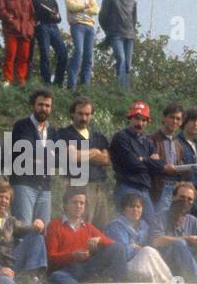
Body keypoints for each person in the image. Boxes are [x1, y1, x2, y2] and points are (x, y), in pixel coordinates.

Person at [45, 190, 126, 284]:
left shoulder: (87, 226)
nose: (79, 206)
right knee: (58, 276)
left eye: (82, 203)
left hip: (85, 267)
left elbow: (110, 243)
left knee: (118, 248)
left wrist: (98, 239)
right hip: (64, 270)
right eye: (74, 202)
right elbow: (50, 258)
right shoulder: (55, 225)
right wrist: (72, 255)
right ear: (65, 205)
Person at [56, 96, 113, 225]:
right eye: (80, 114)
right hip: (77, 187)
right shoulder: (64, 133)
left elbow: (106, 159)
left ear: (92, 115)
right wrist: (94, 151)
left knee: (101, 229)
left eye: (87, 114)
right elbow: (73, 156)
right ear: (72, 113)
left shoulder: (98, 136)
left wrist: (83, 154)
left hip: (99, 187)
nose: (84, 118)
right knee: (80, 226)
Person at [8, 89, 59, 225]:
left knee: (43, 229)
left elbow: (61, 159)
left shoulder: (52, 131)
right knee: (23, 227)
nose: (44, 108)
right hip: (24, 184)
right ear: (33, 105)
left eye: (47, 106)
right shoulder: (22, 126)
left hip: (45, 186)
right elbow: (25, 153)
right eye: (40, 104)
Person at [102, 191, 174, 283]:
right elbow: (123, 253)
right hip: (122, 268)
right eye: (131, 206)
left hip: (144, 265)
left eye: (138, 206)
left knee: (149, 254)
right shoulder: (115, 226)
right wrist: (141, 249)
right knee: (147, 251)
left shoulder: (144, 226)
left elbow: (153, 249)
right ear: (124, 209)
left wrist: (138, 248)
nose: (135, 209)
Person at [111, 101, 162, 221]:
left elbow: (159, 166)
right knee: (126, 224)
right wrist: (150, 162)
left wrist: (142, 159)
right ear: (130, 118)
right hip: (127, 187)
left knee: (150, 225)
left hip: (144, 189)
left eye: (144, 120)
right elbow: (131, 164)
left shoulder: (147, 141)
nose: (140, 123)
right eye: (137, 119)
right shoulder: (121, 137)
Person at [0, 0, 35, 86]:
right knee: (10, 54)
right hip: (11, 29)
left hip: (25, 31)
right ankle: (7, 79)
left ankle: (21, 80)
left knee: (24, 56)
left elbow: (32, 15)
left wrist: (30, 27)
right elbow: (0, 9)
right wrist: (10, 19)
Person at [148, 103, 190, 214]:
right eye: (172, 117)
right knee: (159, 220)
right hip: (159, 188)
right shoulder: (152, 140)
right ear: (164, 118)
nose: (175, 121)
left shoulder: (179, 144)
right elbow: (149, 164)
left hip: (175, 188)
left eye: (178, 119)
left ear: (181, 122)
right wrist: (163, 167)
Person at [99, 0, 138, 90]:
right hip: (115, 34)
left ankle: (125, 90)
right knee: (120, 58)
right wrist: (108, 32)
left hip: (129, 35)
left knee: (127, 64)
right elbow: (102, 17)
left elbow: (134, 19)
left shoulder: (132, 1)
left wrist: (132, 30)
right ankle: (120, 88)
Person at [30, 0, 69, 85]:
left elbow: (59, 18)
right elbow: (32, 14)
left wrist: (56, 16)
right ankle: (46, 82)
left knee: (63, 54)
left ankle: (58, 82)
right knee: (45, 54)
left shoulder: (53, 0)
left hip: (54, 27)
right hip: (42, 26)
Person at [64, 0, 99, 88]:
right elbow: (71, 7)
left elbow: (96, 10)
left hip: (89, 26)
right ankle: (72, 85)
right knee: (78, 51)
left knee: (88, 56)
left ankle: (85, 86)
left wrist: (83, 9)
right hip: (77, 25)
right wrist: (85, 6)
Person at [179, 107, 197, 202]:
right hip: (184, 193)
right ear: (185, 121)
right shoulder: (176, 143)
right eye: (192, 120)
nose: (195, 124)